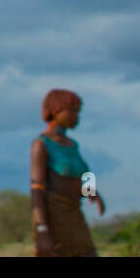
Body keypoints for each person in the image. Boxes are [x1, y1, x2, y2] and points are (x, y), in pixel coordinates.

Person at [31, 89, 103, 256]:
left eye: (78, 112)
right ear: (56, 111)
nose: (76, 117)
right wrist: (41, 229)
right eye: (72, 112)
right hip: (54, 216)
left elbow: (83, 172)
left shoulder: (72, 145)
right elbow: (36, 189)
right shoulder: (41, 144)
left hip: (74, 212)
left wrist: (93, 192)